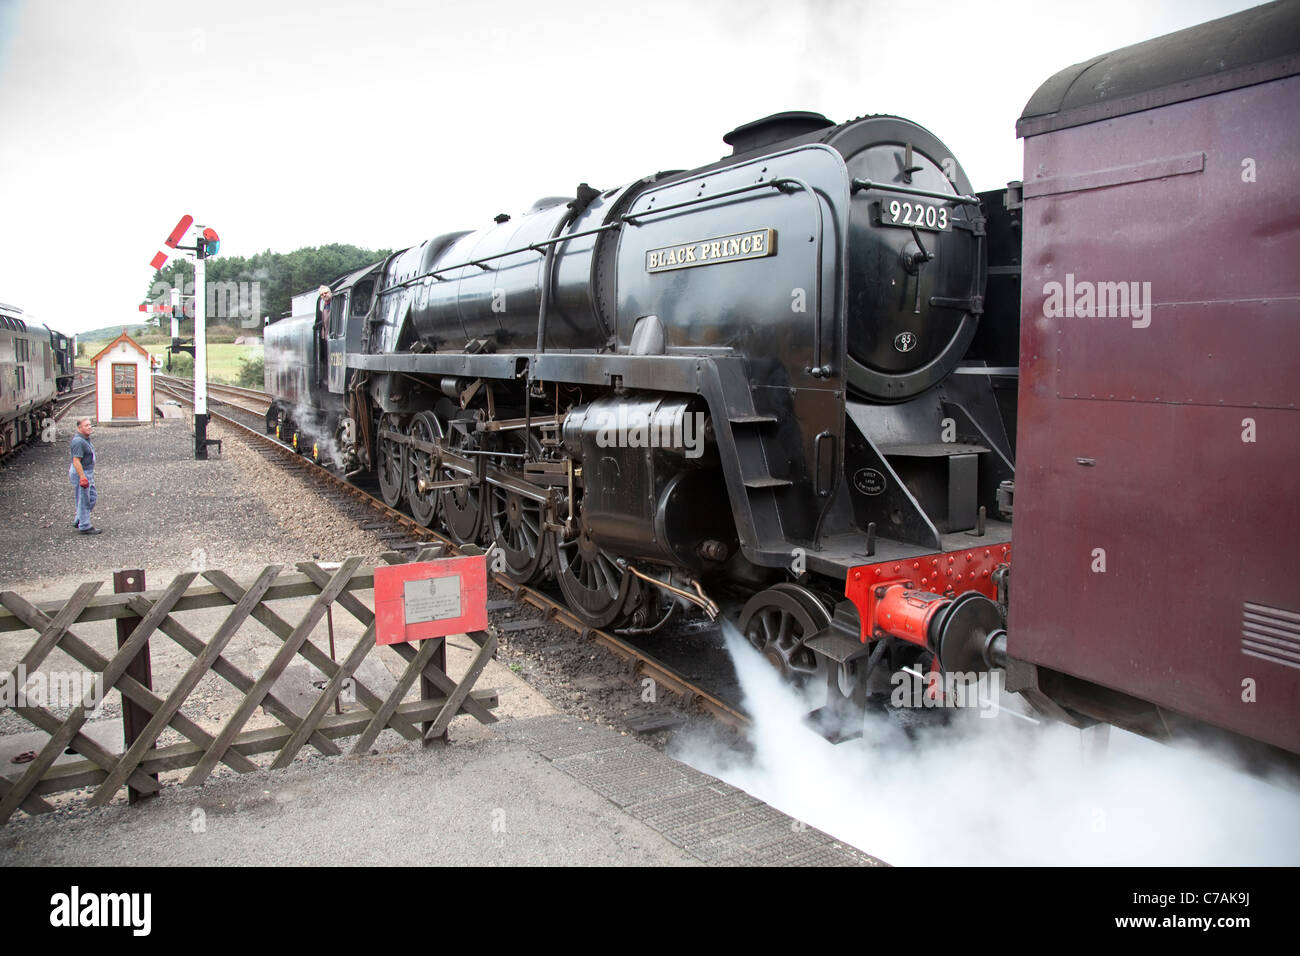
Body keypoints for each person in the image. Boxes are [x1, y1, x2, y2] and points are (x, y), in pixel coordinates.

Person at [69, 417, 100, 535]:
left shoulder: (85, 439)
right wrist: (82, 477)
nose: (89, 427)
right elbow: (76, 461)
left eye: (89, 425)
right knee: (84, 500)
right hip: (81, 472)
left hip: (87, 472)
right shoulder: (78, 442)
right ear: (79, 428)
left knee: (91, 497)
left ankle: (79, 519)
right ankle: (85, 525)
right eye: (86, 425)